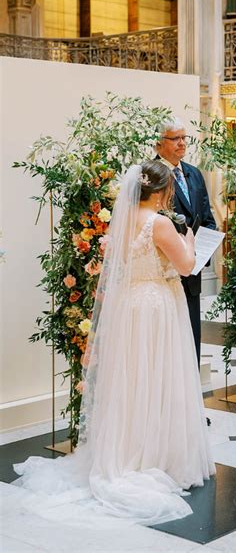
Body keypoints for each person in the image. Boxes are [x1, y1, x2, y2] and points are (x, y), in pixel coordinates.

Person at [13, 161, 215, 524]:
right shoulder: (161, 223)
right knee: (157, 377)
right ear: (163, 191)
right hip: (157, 306)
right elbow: (185, 266)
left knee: (132, 379)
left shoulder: (121, 223)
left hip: (130, 306)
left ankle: (126, 449)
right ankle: (155, 456)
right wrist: (189, 239)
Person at [155, 117, 216, 366]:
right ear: (159, 144)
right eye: (175, 138)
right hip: (164, 271)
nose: (182, 143)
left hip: (193, 271)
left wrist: (200, 254)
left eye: (184, 138)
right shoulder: (151, 175)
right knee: (167, 341)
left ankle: (190, 398)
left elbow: (207, 218)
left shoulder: (193, 173)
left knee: (191, 337)